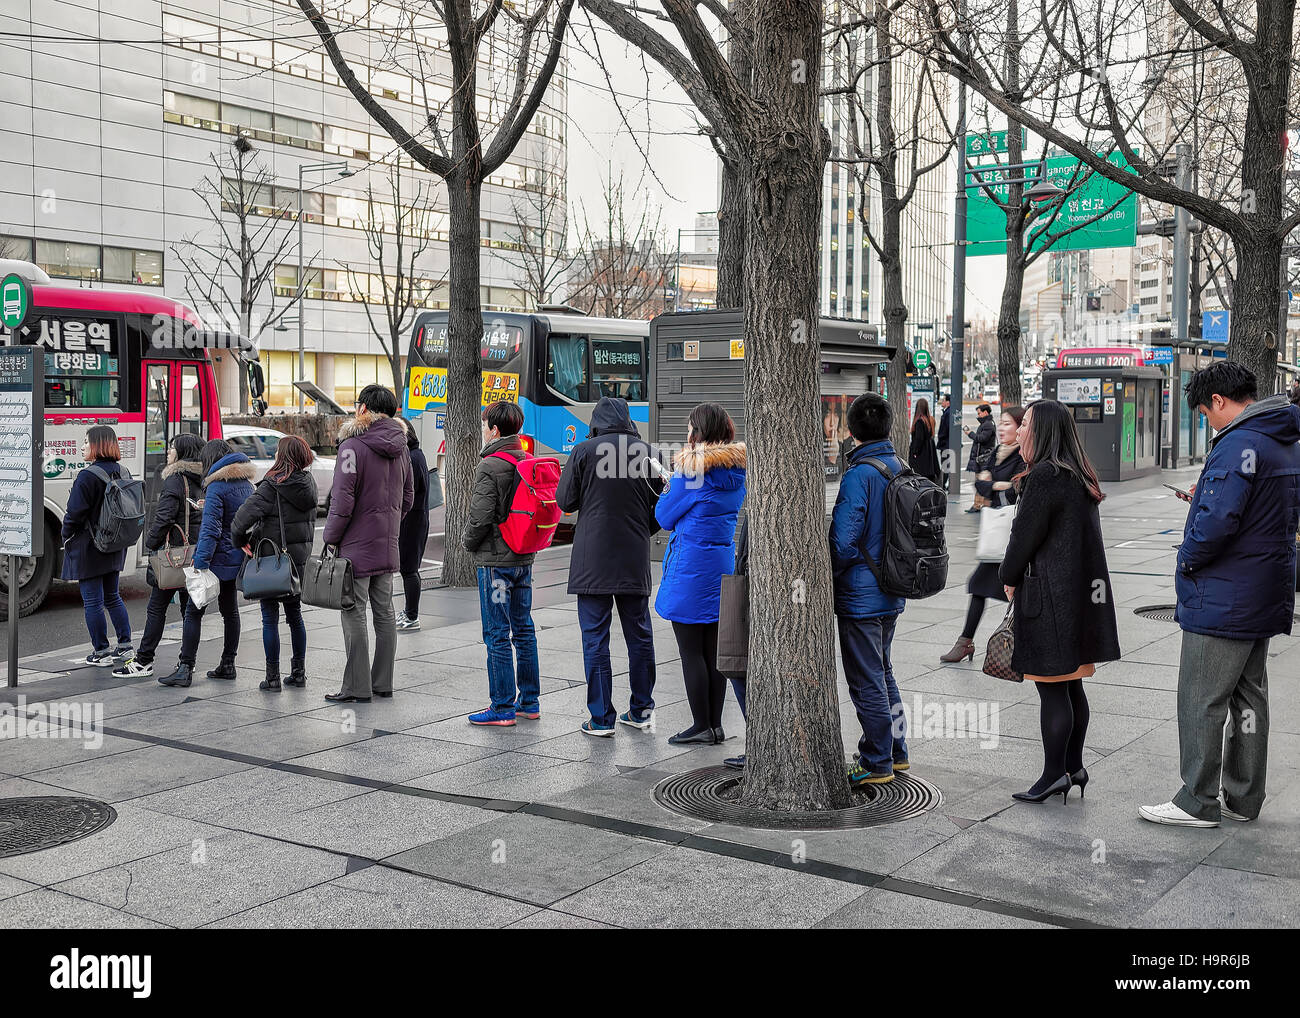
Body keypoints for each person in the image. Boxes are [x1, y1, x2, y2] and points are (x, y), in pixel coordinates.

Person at [1140, 362, 1300, 827]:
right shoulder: (1282, 440)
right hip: (1264, 589)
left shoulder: (1238, 443)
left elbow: (1216, 526)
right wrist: (1207, 494)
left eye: (1206, 411)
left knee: (1201, 697)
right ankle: (1245, 797)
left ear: (1220, 402)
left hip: (1225, 595)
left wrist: (1186, 558)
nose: (1208, 420)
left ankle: (1197, 799)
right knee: (1250, 698)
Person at [999, 400, 1120, 804]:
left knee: (1053, 690)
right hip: (1078, 599)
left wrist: (1008, 577)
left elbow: (1023, 539)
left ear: (1044, 431)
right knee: (1070, 687)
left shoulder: (1046, 476)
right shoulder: (1076, 473)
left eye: (1026, 424)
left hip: (1050, 600)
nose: (1018, 432)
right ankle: (1073, 766)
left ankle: (1054, 774)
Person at [556, 396, 664, 736]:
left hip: (593, 561)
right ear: (628, 421)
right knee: (640, 635)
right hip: (633, 558)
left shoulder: (585, 452)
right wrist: (641, 530)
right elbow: (663, 506)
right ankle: (642, 710)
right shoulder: (648, 453)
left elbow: (565, 501)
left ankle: (601, 718)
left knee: (595, 638)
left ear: (596, 422)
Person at [655, 403, 746, 746]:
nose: (686, 434)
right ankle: (716, 725)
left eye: (690, 428)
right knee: (713, 652)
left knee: (690, 651)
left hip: (690, 569)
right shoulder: (736, 471)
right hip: (720, 566)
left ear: (699, 432)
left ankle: (699, 725)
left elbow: (664, 516)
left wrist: (669, 486)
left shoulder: (691, 471)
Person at [829, 393, 909, 785]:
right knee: (884, 672)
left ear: (851, 430)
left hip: (861, 596)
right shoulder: (899, 466)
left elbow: (844, 541)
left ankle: (876, 760)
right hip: (892, 589)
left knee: (866, 680)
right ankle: (897, 751)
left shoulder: (860, 474)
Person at [323, 384, 414, 704]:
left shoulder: (351, 448)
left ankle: (356, 687)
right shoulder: (401, 448)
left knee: (353, 612)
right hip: (387, 544)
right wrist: (388, 526)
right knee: (385, 613)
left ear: (363, 409)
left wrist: (330, 536)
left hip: (355, 549)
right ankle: (382, 683)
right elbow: (408, 498)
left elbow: (341, 501)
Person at [463, 400, 539, 726]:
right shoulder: (527, 459)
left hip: (496, 565)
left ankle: (503, 707)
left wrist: (467, 543)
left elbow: (480, 518)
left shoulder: (490, 466)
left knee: (496, 632)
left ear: (494, 430)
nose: (483, 431)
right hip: (524, 558)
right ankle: (530, 702)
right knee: (523, 630)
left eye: (484, 426)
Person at [159, 439, 256, 688]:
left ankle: (185, 668)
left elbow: (210, 530)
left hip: (216, 560)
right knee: (230, 611)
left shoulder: (216, 487)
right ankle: (228, 663)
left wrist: (199, 563)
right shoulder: (246, 484)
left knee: (193, 612)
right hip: (236, 558)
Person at [113, 433, 205, 679]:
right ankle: (187, 663)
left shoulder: (175, 480)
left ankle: (144, 661)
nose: (168, 452)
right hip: (195, 553)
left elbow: (163, 518)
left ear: (182, 453)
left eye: (172, 448)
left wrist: (151, 544)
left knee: (156, 608)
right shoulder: (203, 478)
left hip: (173, 556)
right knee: (190, 612)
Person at [231, 435, 318, 691]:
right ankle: (299, 672)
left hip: (272, 563)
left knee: (270, 619)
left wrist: (241, 541)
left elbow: (240, 520)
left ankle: (272, 677)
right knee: (295, 617)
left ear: (281, 457)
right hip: (296, 562)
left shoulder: (271, 486)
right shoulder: (309, 484)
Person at [940, 405, 1026, 662]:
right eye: (1001, 423)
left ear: (1020, 427)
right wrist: (997, 485)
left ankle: (1023, 644)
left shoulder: (1022, 455)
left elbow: (1016, 489)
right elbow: (981, 482)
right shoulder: (998, 452)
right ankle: (965, 641)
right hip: (996, 535)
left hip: (1013, 534)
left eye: (1008, 423)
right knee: (980, 585)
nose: (1001, 427)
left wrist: (995, 486)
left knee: (1018, 592)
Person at [61, 425, 134, 668]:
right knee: (113, 596)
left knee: (93, 601)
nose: (82, 447)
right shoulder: (123, 471)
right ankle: (124, 646)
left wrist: (65, 535)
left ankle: (101, 651)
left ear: (97, 445)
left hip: (90, 546)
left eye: (86, 442)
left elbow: (74, 514)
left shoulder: (87, 476)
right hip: (115, 544)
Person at [395, 416, 430, 633]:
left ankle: (412, 615)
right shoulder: (416, 454)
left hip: (412, 520)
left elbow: (408, 492)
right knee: (409, 568)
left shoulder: (412, 458)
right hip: (416, 518)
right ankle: (409, 612)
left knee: (409, 569)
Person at [964, 403, 996, 512]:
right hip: (982, 459)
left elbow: (981, 438)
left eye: (979, 413)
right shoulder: (987, 423)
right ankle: (978, 504)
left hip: (983, 459)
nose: (978, 415)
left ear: (985, 412)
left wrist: (969, 433)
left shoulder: (987, 425)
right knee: (980, 481)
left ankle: (978, 505)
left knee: (980, 482)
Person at [908, 397, 941, 483]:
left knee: (918, 476)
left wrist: (915, 452)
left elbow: (919, 439)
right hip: (928, 453)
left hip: (921, 455)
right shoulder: (929, 420)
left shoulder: (919, 421)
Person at [936, 393, 953, 493]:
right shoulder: (947, 412)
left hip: (946, 443)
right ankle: (943, 484)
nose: (942, 402)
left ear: (948, 402)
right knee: (947, 465)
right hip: (946, 443)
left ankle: (942, 485)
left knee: (946, 466)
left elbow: (946, 429)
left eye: (943, 400)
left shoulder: (948, 413)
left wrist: (941, 438)